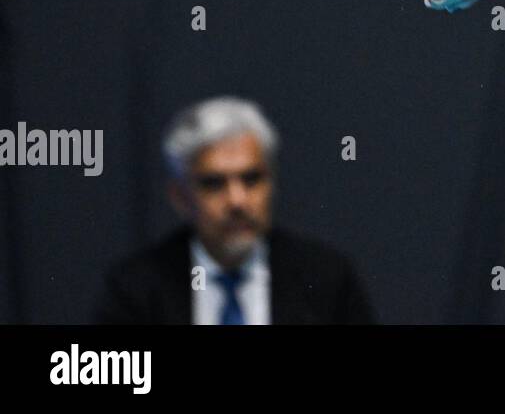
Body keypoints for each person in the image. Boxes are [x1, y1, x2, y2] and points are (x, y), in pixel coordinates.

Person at [94, 96, 374, 324]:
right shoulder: (137, 290)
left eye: (251, 179)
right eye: (214, 184)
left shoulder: (327, 280)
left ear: (271, 183)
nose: (237, 201)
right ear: (180, 197)